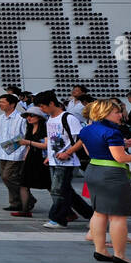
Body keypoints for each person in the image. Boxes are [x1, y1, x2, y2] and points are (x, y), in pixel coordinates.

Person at [72, 98, 131, 263]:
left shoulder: (86, 130)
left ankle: (100, 250)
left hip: (94, 170)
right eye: (117, 112)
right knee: (118, 217)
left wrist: (121, 144)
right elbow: (121, 157)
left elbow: (90, 150)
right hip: (112, 174)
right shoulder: (112, 132)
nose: (120, 115)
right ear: (105, 113)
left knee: (99, 212)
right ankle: (120, 255)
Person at [30, 91, 92, 230]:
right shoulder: (50, 119)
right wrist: (49, 156)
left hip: (67, 161)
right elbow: (53, 141)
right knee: (65, 191)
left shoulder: (68, 118)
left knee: (58, 190)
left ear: (52, 103)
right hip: (54, 160)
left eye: (42, 106)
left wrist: (68, 152)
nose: (41, 109)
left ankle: (58, 218)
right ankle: (90, 214)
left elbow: (82, 139)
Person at [0, 93, 35, 216]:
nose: (0, 104)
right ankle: (15, 202)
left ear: (12, 104)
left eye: (3, 102)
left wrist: (25, 151)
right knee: (8, 178)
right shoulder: (0, 118)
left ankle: (27, 199)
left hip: (17, 153)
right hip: (3, 152)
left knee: (8, 176)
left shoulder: (21, 118)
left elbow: (26, 136)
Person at [16, 108, 51, 213]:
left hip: (42, 158)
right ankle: (25, 210)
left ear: (39, 117)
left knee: (49, 185)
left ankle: (66, 211)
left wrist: (28, 142)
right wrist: (25, 156)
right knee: (24, 183)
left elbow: (46, 145)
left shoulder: (44, 128)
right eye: (27, 116)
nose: (29, 118)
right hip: (31, 157)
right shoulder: (29, 128)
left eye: (31, 115)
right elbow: (28, 146)